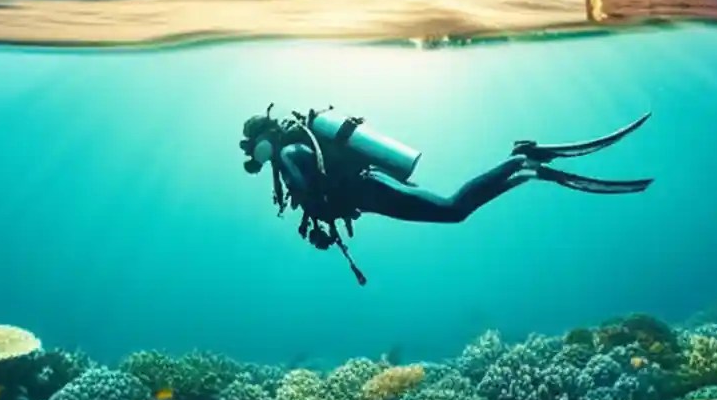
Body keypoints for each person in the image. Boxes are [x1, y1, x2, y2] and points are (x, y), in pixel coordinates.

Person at [238, 105, 653, 285]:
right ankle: (525, 169)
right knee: (453, 210)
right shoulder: (292, 152)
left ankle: (520, 161)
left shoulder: (289, 153)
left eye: (254, 146)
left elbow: (316, 192)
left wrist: (319, 223)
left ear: (263, 139)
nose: (256, 156)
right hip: (370, 190)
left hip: (370, 190)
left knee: (454, 209)